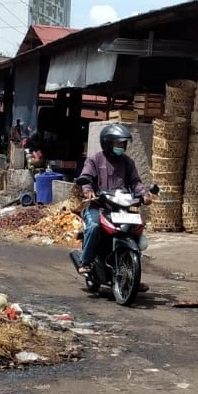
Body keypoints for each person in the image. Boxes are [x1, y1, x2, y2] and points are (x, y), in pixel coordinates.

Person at [76, 124, 148, 290]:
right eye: (118, 143)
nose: (121, 146)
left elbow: (136, 182)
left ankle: (132, 274)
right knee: (94, 226)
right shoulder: (94, 159)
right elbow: (85, 177)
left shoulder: (128, 162)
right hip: (98, 206)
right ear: (107, 143)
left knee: (135, 228)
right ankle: (85, 262)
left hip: (121, 208)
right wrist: (88, 190)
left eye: (123, 143)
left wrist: (144, 194)